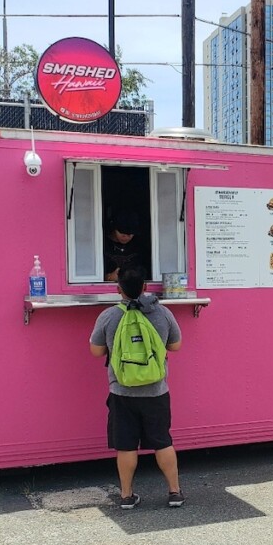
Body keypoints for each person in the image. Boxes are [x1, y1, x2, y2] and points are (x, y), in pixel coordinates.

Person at [89, 266, 184, 509]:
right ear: (145, 288)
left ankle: (127, 496)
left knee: (126, 445)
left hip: (122, 392)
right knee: (162, 441)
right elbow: (175, 346)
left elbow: (96, 350)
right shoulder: (162, 313)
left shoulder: (109, 316)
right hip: (156, 390)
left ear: (118, 289)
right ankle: (174, 493)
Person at [104, 210, 146, 281]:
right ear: (114, 228)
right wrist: (108, 277)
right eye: (122, 233)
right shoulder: (102, 245)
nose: (126, 237)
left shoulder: (139, 246)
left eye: (130, 233)